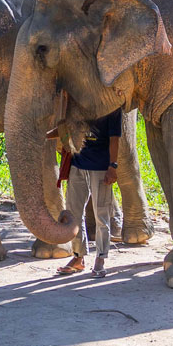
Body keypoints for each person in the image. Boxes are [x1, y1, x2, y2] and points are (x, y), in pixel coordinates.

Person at [55, 110, 122, 277]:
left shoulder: (112, 106)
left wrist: (112, 167)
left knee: (101, 215)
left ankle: (100, 259)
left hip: (100, 168)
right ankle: (78, 257)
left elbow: (115, 138)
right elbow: (68, 129)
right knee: (73, 213)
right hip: (78, 166)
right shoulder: (78, 102)